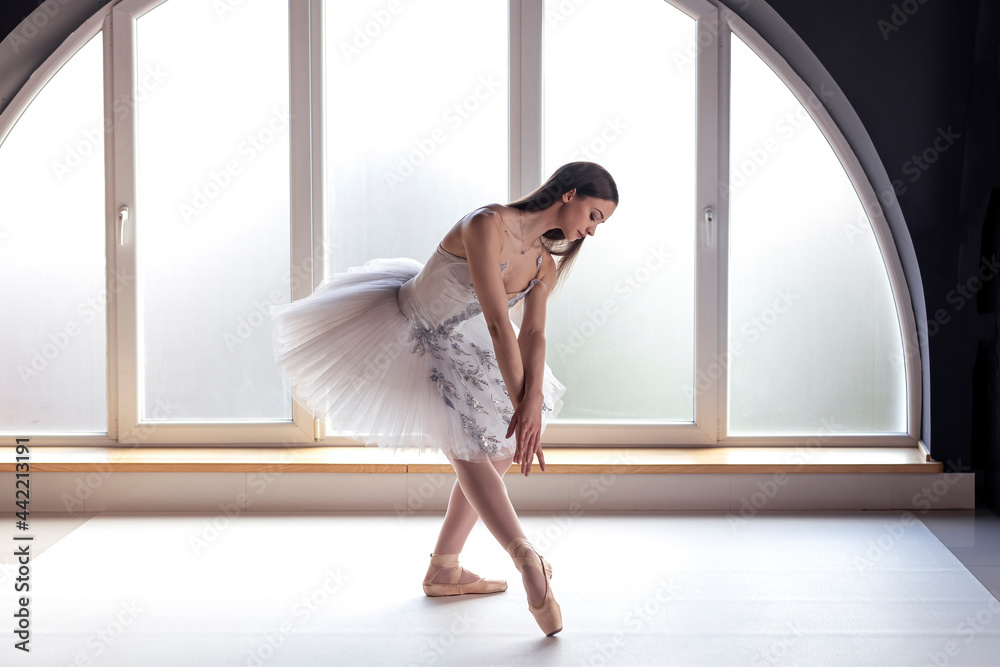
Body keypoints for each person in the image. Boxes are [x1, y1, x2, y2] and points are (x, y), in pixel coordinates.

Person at [270, 161, 619, 636]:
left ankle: (444, 568)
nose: (593, 231)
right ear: (571, 193)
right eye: (595, 216)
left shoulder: (545, 264)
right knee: (475, 447)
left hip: (468, 337)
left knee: (491, 454)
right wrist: (520, 402)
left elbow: (532, 332)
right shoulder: (486, 224)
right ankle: (526, 558)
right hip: (417, 328)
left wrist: (532, 397)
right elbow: (500, 324)